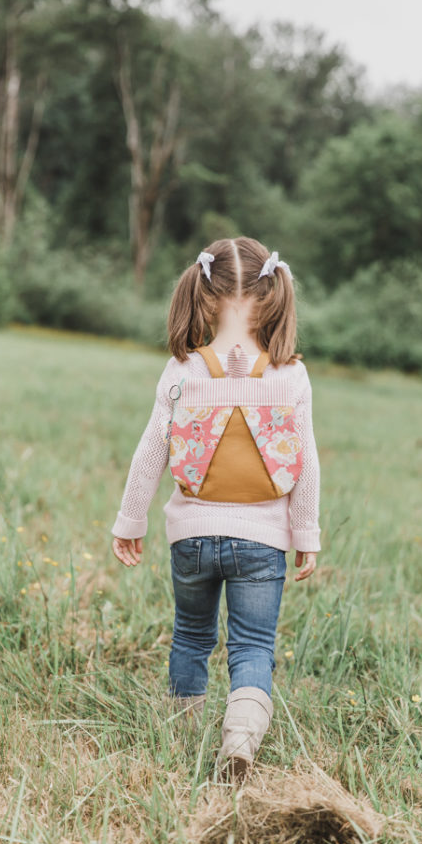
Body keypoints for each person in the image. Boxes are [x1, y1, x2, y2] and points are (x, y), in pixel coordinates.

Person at [111, 236, 321, 778]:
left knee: (190, 636)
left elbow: (149, 452)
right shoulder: (289, 374)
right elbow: (307, 464)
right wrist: (307, 534)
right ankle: (240, 741)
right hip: (262, 538)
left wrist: (130, 520)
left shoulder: (182, 371)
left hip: (192, 535)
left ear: (204, 296)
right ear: (270, 295)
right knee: (253, 644)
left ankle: (182, 737)